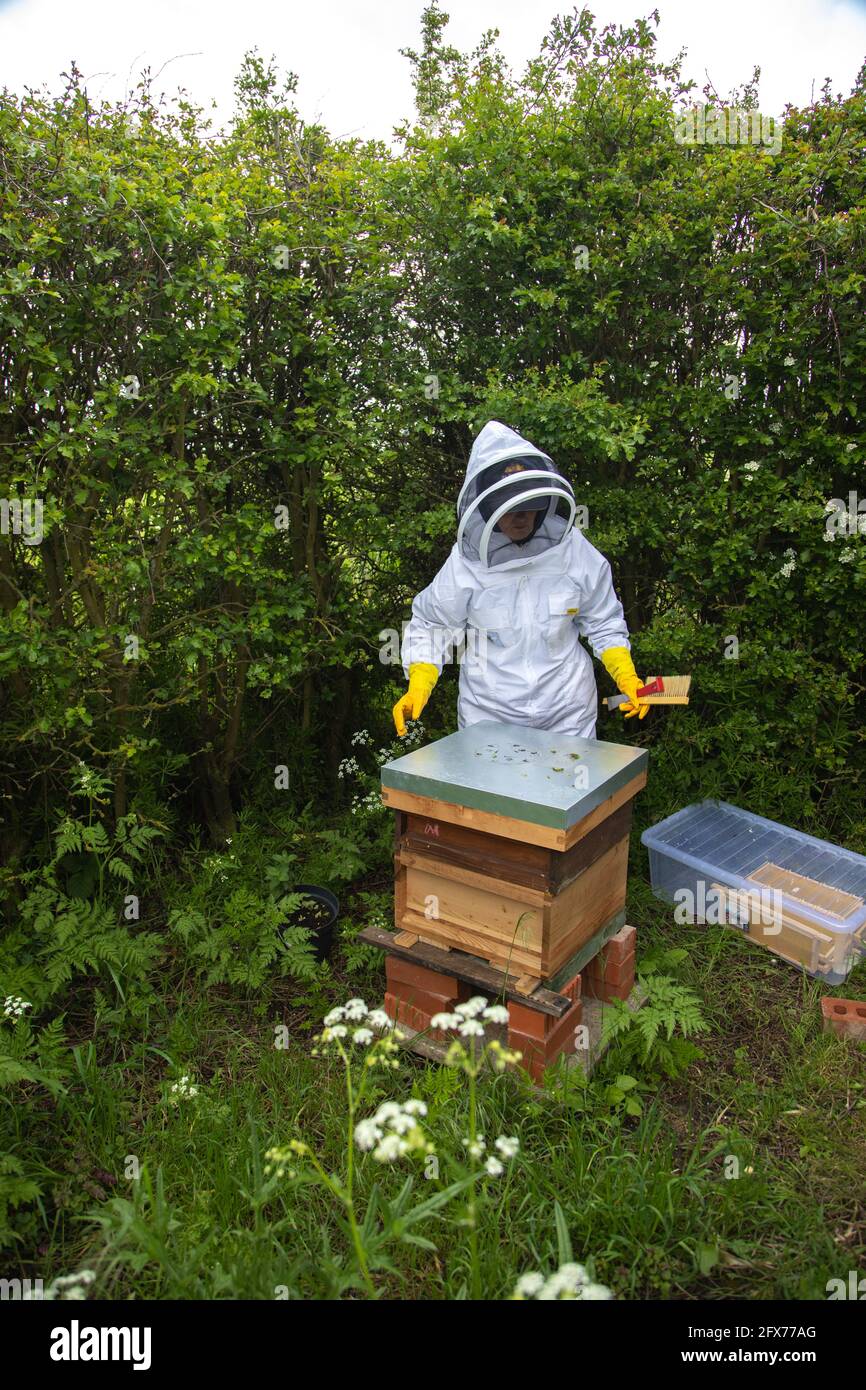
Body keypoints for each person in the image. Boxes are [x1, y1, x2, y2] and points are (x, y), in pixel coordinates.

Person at [392, 420, 650, 740]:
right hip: (489, 714)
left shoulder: (573, 552)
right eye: (509, 507)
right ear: (487, 507)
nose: (521, 517)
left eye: (529, 506)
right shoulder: (465, 564)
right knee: (490, 793)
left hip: (567, 709)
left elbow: (603, 619)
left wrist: (626, 674)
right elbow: (432, 624)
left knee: (570, 790)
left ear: (545, 503)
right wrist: (420, 681)